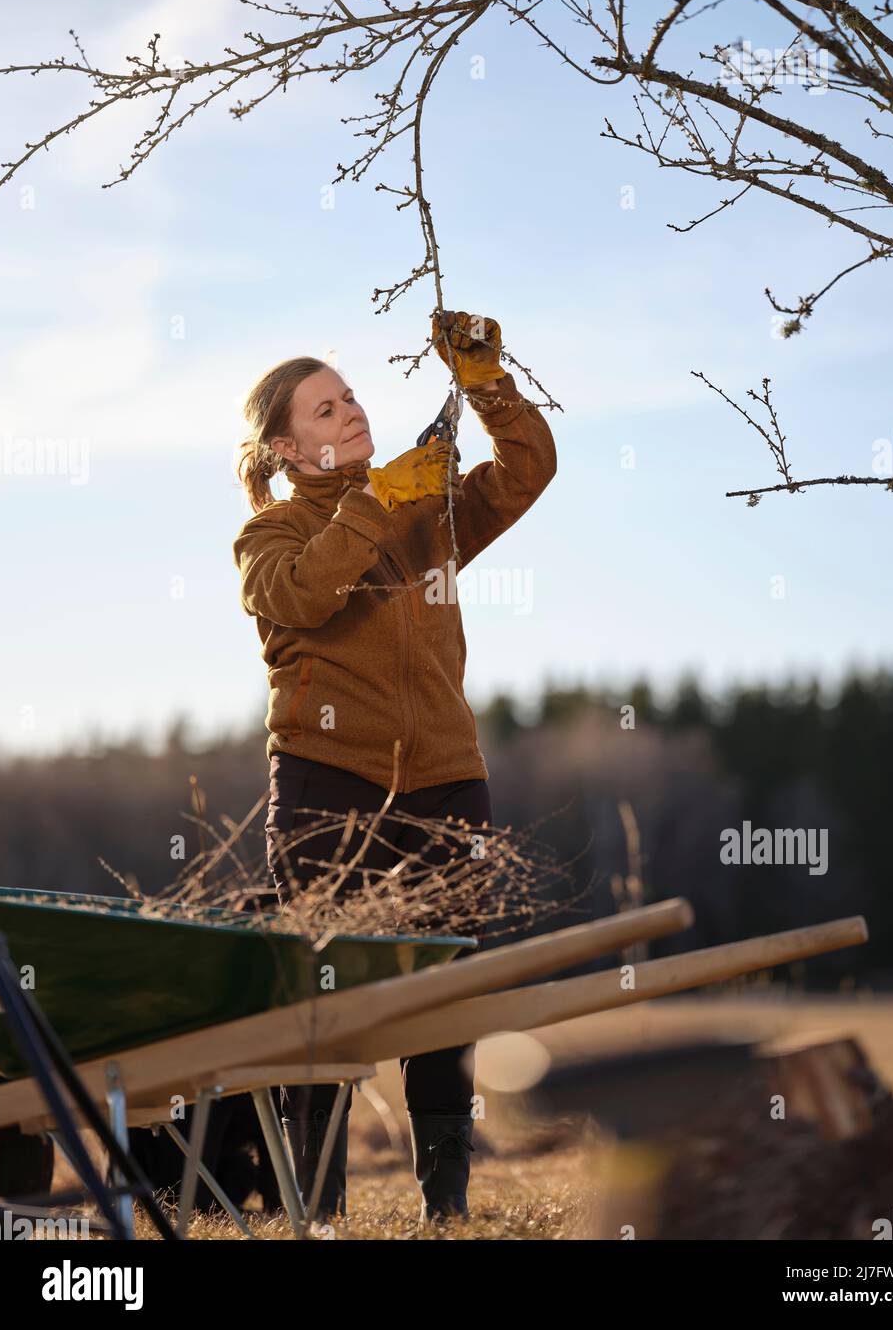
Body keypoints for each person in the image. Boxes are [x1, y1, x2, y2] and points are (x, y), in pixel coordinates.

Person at [232, 311, 557, 1222]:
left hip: (449, 783)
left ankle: (445, 1209)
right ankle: (320, 1211)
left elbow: (528, 470)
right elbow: (306, 592)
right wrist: (376, 498)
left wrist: (485, 379)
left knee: (444, 999)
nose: (349, 413)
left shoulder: (427, 510)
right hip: (328, 785)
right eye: (323, 411)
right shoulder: (269, 539)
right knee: (330, 1008)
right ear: (287, 449)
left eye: (350, 399)